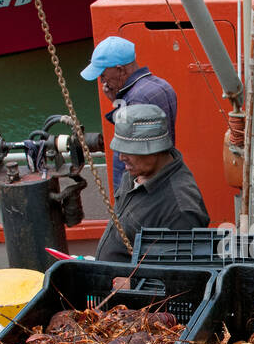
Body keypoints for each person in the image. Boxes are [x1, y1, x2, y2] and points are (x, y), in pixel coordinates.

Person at [94, 104, 210, 263]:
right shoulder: (136, 172)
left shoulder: (181, 209)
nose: (121, 158)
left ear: (155, 150)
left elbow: (181, 278)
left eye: (129, 151)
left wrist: (132, 283)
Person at [80, 36, 178, 190]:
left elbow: (132, 151)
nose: (102, 82)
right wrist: (117, 99)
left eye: (103, 75)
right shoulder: (162, 85)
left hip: (143, 186)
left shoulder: (135, 99)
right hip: (164, 175)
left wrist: (123, 193)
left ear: (120, 70)